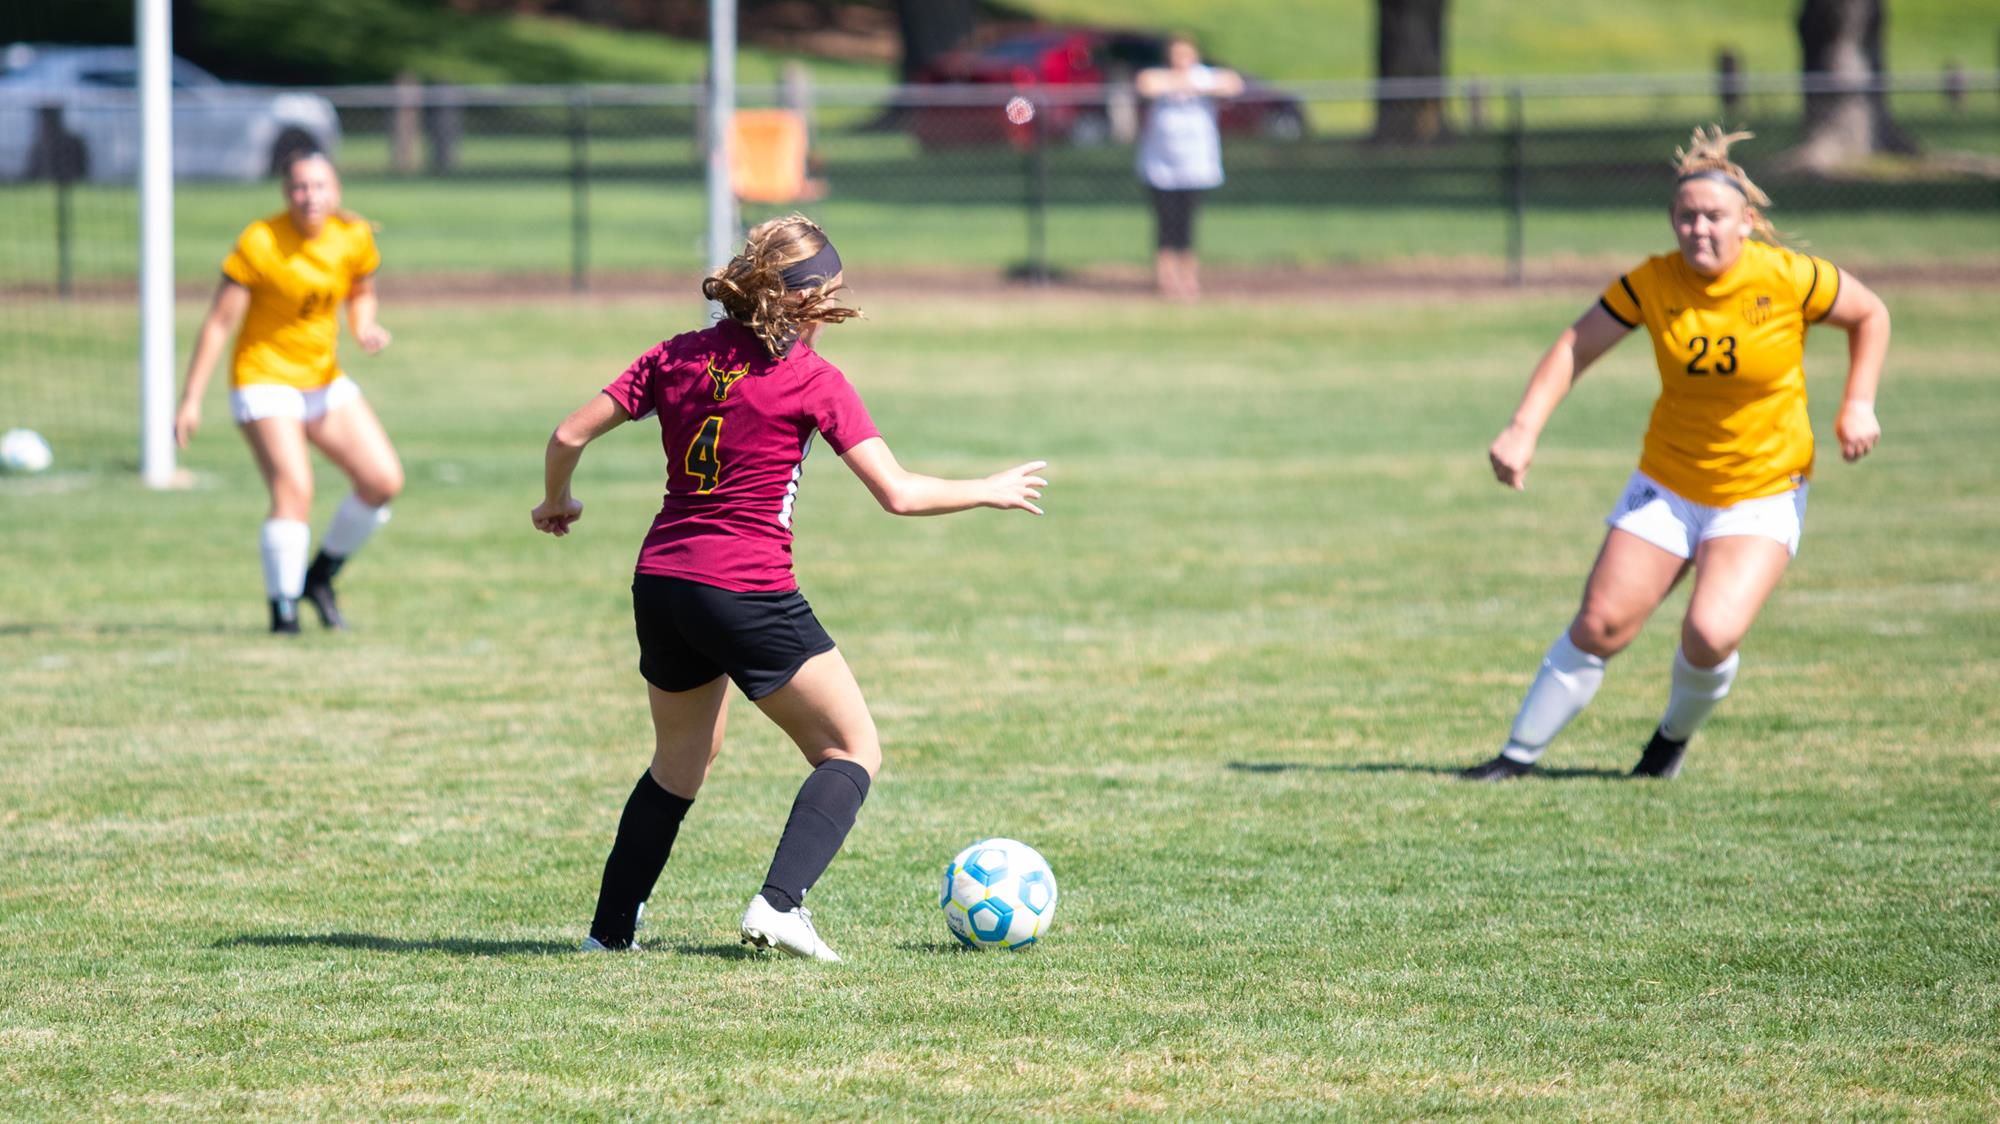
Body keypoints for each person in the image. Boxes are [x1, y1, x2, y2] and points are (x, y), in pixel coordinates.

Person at [534, 215, 1048, 961]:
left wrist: (557, 501)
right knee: (851, 748)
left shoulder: (676, 355)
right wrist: (988, 488)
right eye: (833, 293)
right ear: (805, 301)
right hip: (745, 588)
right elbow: (897, 493)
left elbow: (568, 435)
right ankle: (779, 906)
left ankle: (608, 934)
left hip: (664, 582)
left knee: (679, 763)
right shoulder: (810, 379)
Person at [1459, 126, 1890, 782]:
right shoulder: (1652, 284)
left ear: (1746, 221)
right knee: (1601, 623)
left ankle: (1667, 744)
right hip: (1667, 482)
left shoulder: (1789, 278)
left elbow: (1871, 314)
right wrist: (1523, 427)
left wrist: (1858, 402)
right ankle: (1515, 758)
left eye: (1713, 216)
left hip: (1764, 487)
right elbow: (1576, 344)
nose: (1698, 230)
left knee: (1710, 635)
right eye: (1684, 217)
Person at [173, 150, 402, 634]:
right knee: (295, 489)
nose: (309, 196)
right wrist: (191, 399)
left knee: (383, 481)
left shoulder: (353, 236)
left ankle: (319, 578)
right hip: (263, 380)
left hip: (321, 379)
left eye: (319, 186)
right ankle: (284, 612)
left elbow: (361, 290)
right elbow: (218, 324)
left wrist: (364, 328)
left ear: (336, 191)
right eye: (299, 186)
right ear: (286, 192)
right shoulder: (261, 241)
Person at [1134, 34, 1242, 301]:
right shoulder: (1159, 76)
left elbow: (1232, 84)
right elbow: (1145, 84)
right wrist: (1183, 83)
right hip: (1161, 164)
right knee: (1165, 223)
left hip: (1195, 164)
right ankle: (1165, 278)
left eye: (1186, 55)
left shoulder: (1206, 77)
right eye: (1176, 55)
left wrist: (1195, 84)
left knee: (1187, 223)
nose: (1180, 61)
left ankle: (1188, 277)